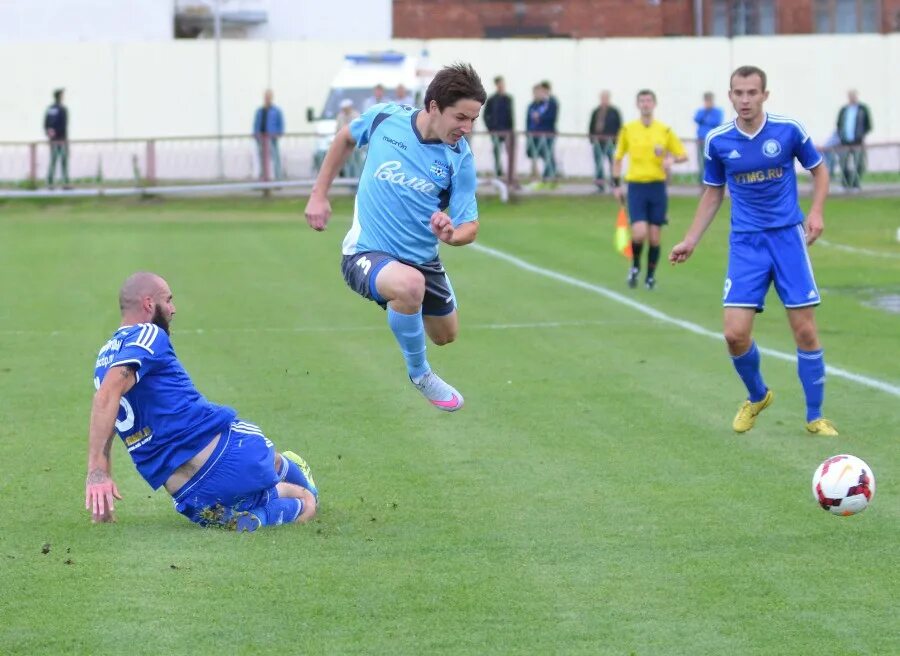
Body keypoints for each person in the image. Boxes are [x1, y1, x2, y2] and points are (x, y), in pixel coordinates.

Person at [304, 63, 486, 412]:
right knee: (409, 286)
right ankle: (420, 374)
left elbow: (469, 226)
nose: (467, 128)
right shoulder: (385, 119)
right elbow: (344, 138)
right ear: (433, 106)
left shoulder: (459, 159)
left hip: (422, 258)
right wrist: (319, 194)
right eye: (461, 117)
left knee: (445, 335)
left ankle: (403, 302)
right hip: (365, 252)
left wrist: (450, 235)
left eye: (473, 120)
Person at [669, 65, 838, 437]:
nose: (745, 99)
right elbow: (713, 192)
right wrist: (690, 240)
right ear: (730, 96)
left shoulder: (788, 130)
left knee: (805, 331)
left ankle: (815, 417)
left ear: (765, 95)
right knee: (734, 334)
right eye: (738, 93)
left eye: (751, 92)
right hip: (746, 244)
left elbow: (820, 171)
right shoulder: (718, 140)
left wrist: (817, 211)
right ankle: (758, 395)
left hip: (787, 240)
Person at [86, 272, 318, 531]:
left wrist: (100, 472)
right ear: (149, 304)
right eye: (169, 300)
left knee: (238, 510)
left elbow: (105, 401)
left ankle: (256, 514)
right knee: (307, 499)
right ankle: (297, 482)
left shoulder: (104, 359)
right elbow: (108, 396)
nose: (173, 309)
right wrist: (97, 469)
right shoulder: (148, 334)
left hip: (192, 496)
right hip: (232, 456)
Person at [612, 89, 687, 290]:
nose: (645, 104)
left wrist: (672, 159)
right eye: (642, 101)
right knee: (639, 232)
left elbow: (682, 154)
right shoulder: (628, 129)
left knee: (654, 236)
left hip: (657, 187)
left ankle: (650, 276)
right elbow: (618, 158)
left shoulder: (664, 130)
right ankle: (635, 265)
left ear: (654, 104)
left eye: (648, 101)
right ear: (638, 105)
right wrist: (616, 185)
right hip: (636, 186)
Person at [835, 89, 872, 192]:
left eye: (854, 95)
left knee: (859, 164)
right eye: (850, 96)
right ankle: (845, 184)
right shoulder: (844, 110)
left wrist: (862, 135)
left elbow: (868, 125)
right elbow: (838, 124)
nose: (852, 97)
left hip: (858, 142)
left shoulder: (863, 109)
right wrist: (840, 135)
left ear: (857, 96)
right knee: (843, 163)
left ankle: (856, 184)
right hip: (845, 142)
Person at [588, 90, 622, 192]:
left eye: (605, 98)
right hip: (598, 142)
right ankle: (600, 184)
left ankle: (614, 184)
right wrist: (591, 138)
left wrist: (617, 140)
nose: (604, 100)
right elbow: (591, 125)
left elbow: (619, 125)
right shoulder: (596, 111)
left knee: (613, 162)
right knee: (598, 163)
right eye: (602, 98)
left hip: (610, 141)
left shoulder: (614, 111)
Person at [483, 75, 514, 178]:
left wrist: (511, 129)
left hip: (507, 130)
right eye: (499, 84)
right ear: (496, 85)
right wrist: (490, 128)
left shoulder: (508, 99)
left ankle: (510, 172)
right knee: (497, 151)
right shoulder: (492, 99)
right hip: (495, 130)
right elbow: (485, 115)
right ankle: (498, 171)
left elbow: (511, 115)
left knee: (510, 151)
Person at [693, 92, 725, 185]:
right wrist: (706, 112)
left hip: (713, 141)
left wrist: (706, 119)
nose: (708, 102)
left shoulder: (718, 111)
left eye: (709, 99)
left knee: (712, 161)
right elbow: (696, 119)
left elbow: (716, 121)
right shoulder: (701, 111)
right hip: (701, 140)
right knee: (701, 162)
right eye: (706, 100)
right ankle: (702, 183)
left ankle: (714, 181)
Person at [253, 89, 285, 180]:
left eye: (269, 97)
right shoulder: (260, 111)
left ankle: (278, 179)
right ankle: (263, 179)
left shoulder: (276, 111)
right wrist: (256, 134)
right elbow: (256, 124)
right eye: (266, 97)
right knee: (262, 160)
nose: (267, 99)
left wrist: (279, 133)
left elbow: (281, 123)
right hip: (261, 139)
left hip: (272, 138)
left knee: (275, 159)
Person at [44, 88, 69, 188]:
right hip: (61, 138)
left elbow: (46, 124)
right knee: (62, 160)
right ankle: (65, 182)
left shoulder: (50, 109)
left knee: (54, 160)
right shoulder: (62, 109)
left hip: (54, 139)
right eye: (62, 95)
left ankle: (51, 182)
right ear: (59, 96)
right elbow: (64, 125)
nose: (64, 97)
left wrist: (49, 133)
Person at [335, 99, 362, 177]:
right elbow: (337, 129)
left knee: (357, 162)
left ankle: (356, 178)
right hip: (344, 144)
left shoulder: (356, 115)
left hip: (356, 144)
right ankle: (348, 178)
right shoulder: (340, 116)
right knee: (347, 162)